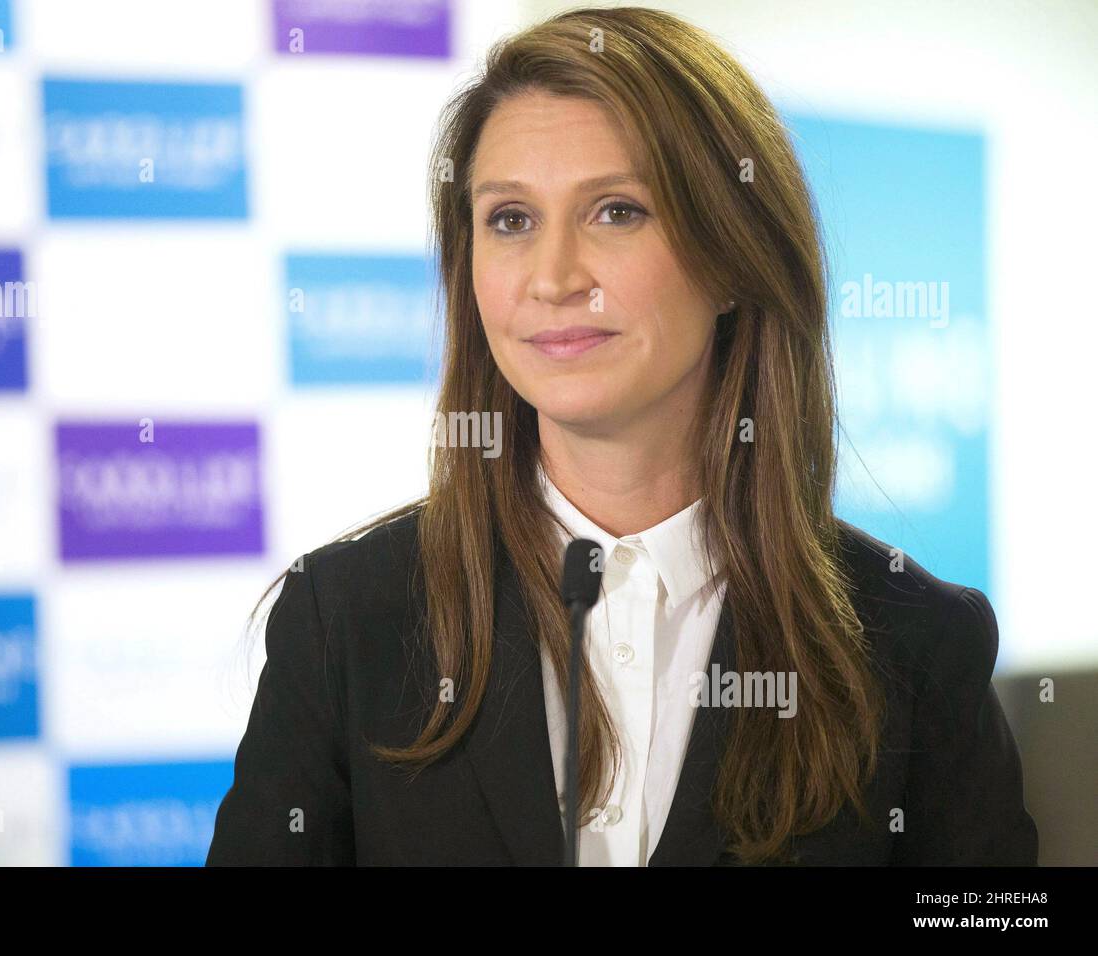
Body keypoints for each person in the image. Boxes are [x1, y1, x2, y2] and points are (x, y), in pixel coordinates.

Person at [206, 5, 1037, 866]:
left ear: (731, 256)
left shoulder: (914, 646)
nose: (556, 277)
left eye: (616, 211)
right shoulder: (346, 621)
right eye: (511, 220)